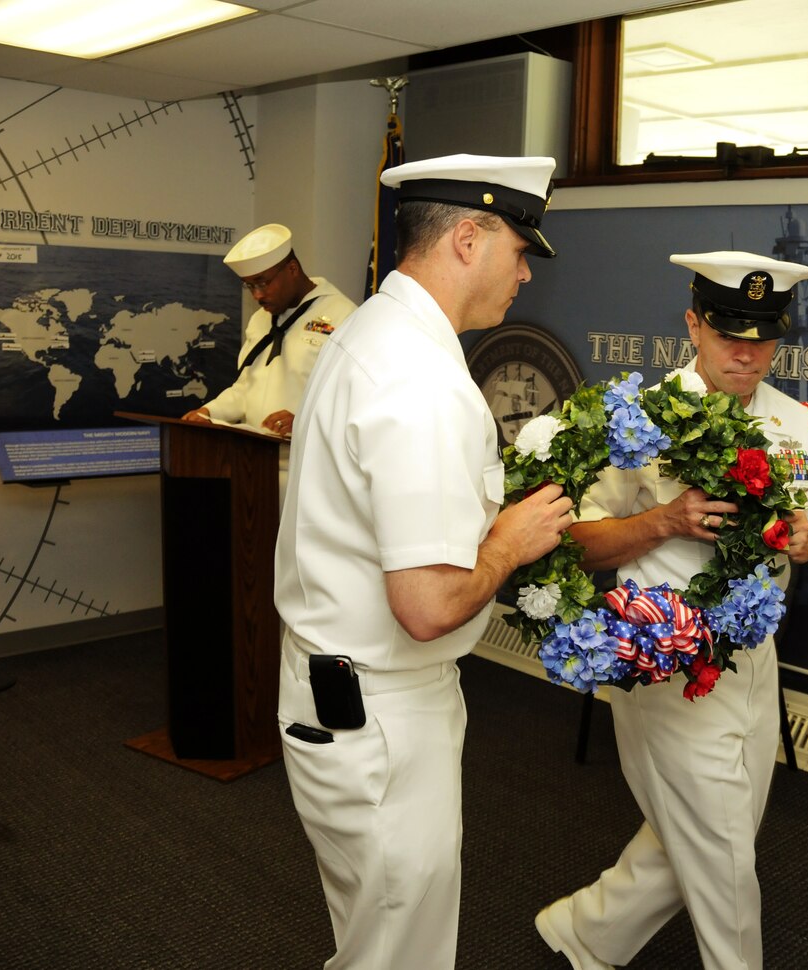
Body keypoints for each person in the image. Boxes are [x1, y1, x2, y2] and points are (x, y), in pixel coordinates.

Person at [273, 155, 574, 969]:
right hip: (384, 717)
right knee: (398, 955)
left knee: (372, 940)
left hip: (335, 694)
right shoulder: (423, 383)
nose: (525, 275)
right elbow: (430, 604)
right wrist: (509, 542)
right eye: (521, 250)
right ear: (468, 239)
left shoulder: (367, 333)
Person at [535, 251, 808, 970]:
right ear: (693, 324)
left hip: (755, 659)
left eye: (764, 334)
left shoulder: (802, 424)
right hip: (669, 660)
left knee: (720, 832)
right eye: (727, 334)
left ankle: (587, 932)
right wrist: (664, 522)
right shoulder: (641, 423)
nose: (746, 353)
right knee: (721, 858)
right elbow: (574, 541)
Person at [182, 223, 356, 437]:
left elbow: (356, 398)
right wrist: (209, 412)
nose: (257, 296)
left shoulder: (345, 316)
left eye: (262, 283)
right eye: (249, 286)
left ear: (292, 269)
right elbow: (247, 387)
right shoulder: (260, 320)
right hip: (256, 458)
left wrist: (304, 420)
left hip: (307, 461)